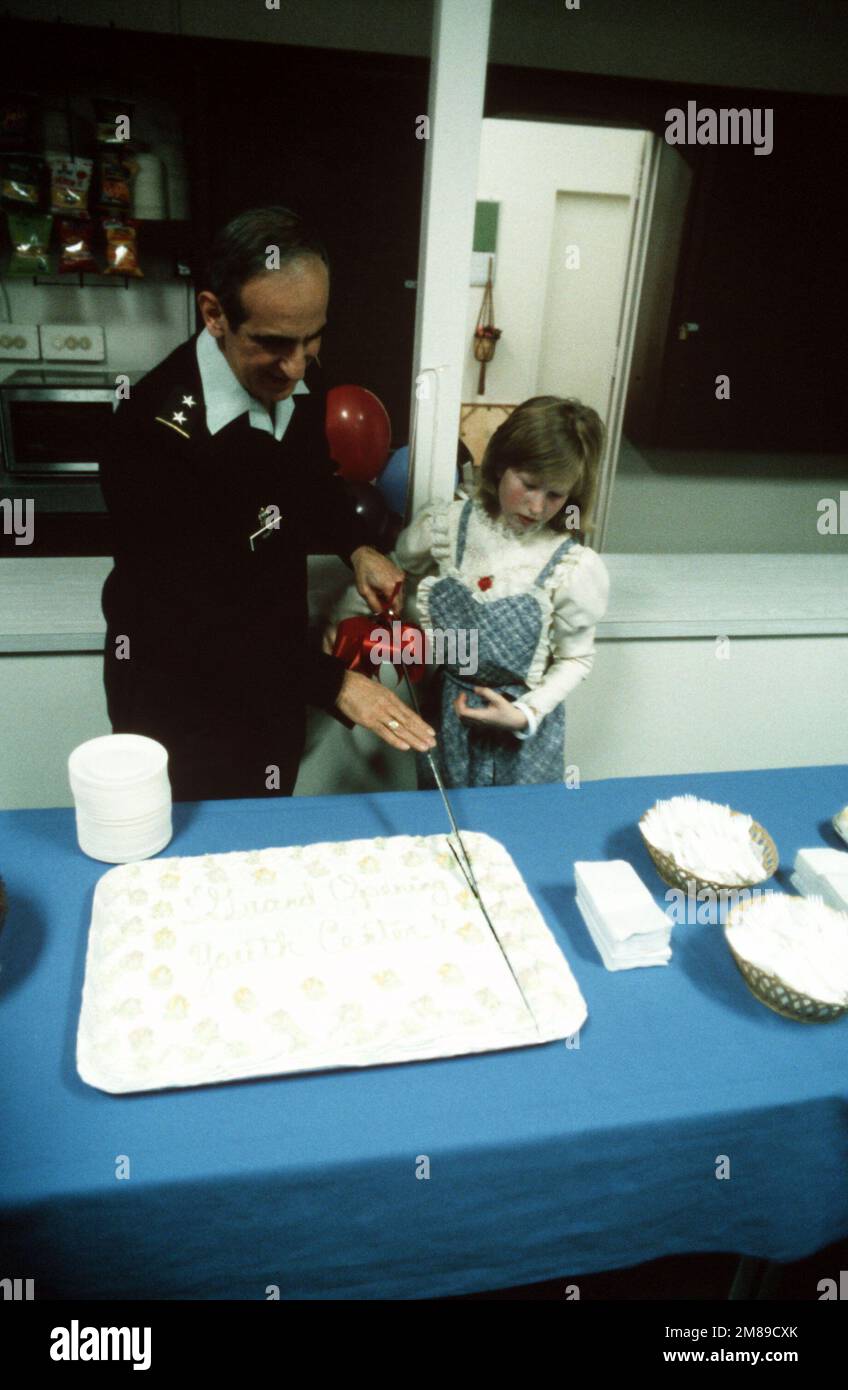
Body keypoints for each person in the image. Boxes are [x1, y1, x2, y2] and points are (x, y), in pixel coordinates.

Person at [100, 205, 435, 801]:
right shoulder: (149, 435)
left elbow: (307, 481)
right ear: (215, 314)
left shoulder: (294, 377)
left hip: (273, 679)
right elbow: (187, 617)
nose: (298, 365)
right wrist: (334, 683)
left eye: (313, 339)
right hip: (179, 701)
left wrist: (355, 546)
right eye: (275, 343)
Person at [393, 396, 610, 787]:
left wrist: (525, 713)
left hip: (521, 736)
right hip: (447, 719)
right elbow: (396, 577)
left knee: (516, 834)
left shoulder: (570, 564)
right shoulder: (449, 526)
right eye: (528, 484)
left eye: (556, 495)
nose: (537, 505)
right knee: (443, 827)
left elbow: (576, 659)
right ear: (499, 465)